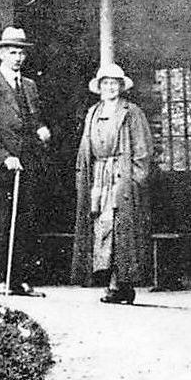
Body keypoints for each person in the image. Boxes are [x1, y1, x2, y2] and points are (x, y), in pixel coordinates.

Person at [70, 63, 155, 305]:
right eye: (105, 83)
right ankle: (110, 283)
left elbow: (143, 150)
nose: (110, 87)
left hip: (122, 177)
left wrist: (136, 180)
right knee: (102, 228)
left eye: (114, 83)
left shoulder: (132, 112)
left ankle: (122, 284)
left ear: (121, 86)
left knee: (121, 230)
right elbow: (85, 148)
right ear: (99, 88)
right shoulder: (93, 112)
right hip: (99, 177)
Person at [0, 26, 52, 295]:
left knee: (27, 222)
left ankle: (21, 279)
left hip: (29, 163)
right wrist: (5, 157)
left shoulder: (30, 86)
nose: (18, 57)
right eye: (12, 52)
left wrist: (41, 128)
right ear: (1, 53)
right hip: (3, 167)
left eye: (21, 52)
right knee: (5, 221)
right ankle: (1, 279)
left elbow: (33, 119)